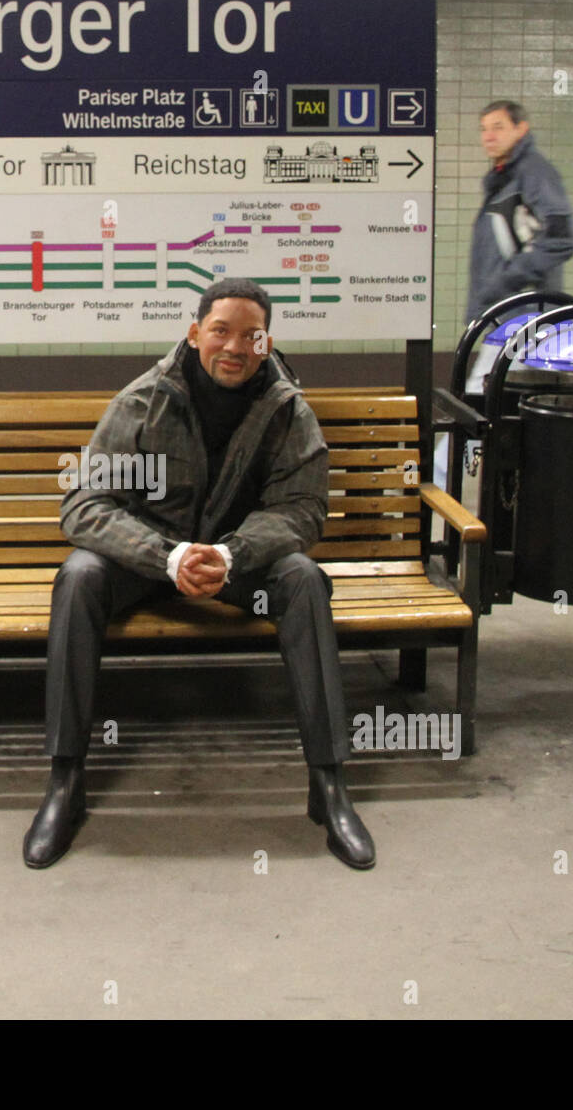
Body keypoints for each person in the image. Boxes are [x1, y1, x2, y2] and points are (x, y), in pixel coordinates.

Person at [23, 277, 375, 871]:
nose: (234, 347)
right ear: (195, 333)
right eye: (221, 331)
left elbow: (304, 509)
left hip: (235, 567)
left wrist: (232, 553)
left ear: (267, 342)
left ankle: (329, 786)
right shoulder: (144, 400)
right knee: (79, 577)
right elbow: (85, 505)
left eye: (251, 335)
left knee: (305, 582)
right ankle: (65, 783)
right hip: (148, 565)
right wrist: (166, 556)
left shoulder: (286, 409)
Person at [467, 100, 573, 323]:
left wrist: (506, 280)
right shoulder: (505, 178)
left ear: (521, 129)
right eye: (484, 129)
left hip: (527, 315)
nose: (488, 136)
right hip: (508, 314)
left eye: (498, 127)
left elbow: (563, 237)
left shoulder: (534, 172)